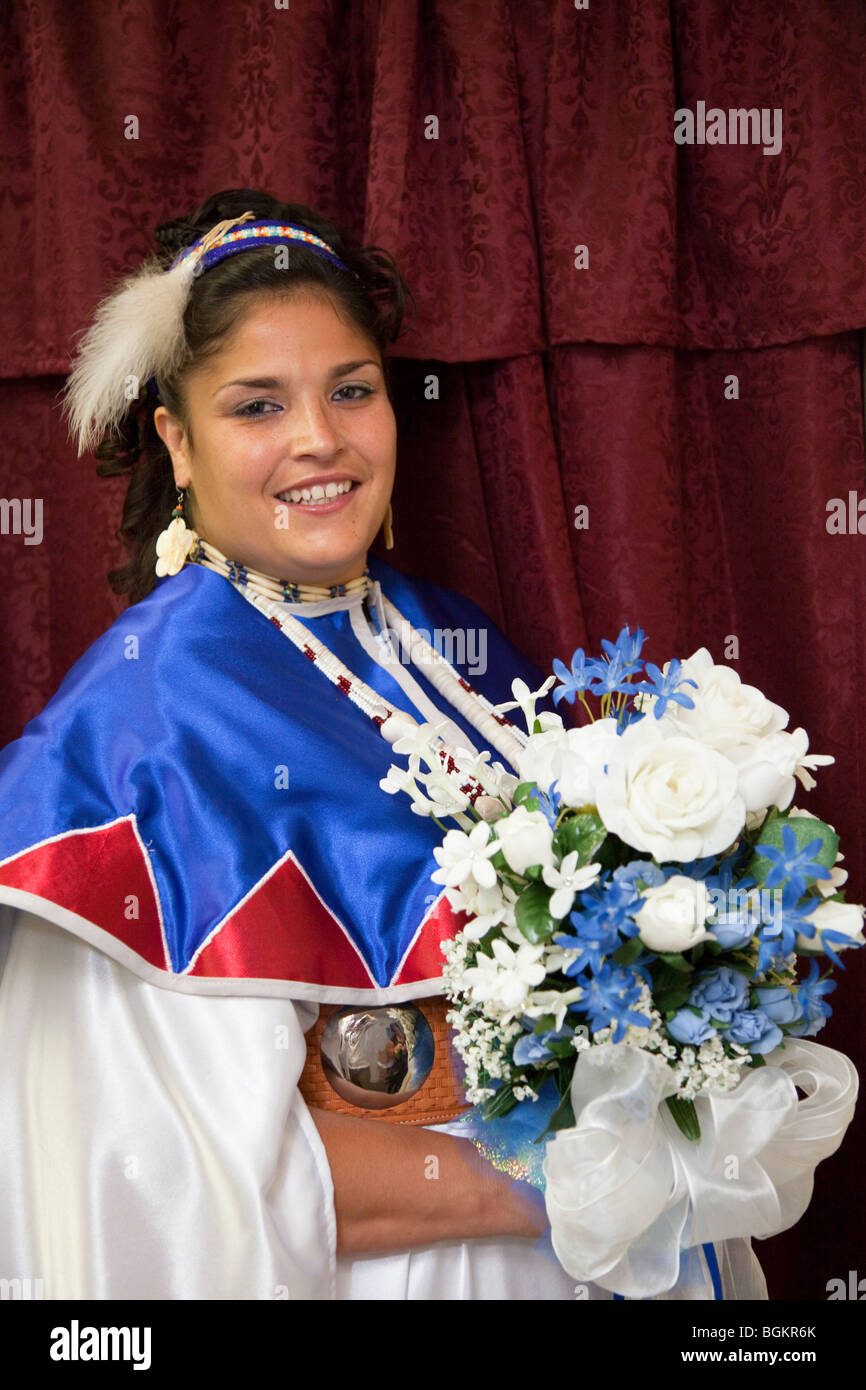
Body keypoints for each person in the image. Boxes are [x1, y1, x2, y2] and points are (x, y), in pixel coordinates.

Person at [0, 189, 766, 1300]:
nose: (319, 438)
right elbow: (147, 1169)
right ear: (176, 439)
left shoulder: (452, 650)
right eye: (256, 406)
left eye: (351, 391)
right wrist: (556, 1187)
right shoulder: (133, 734)